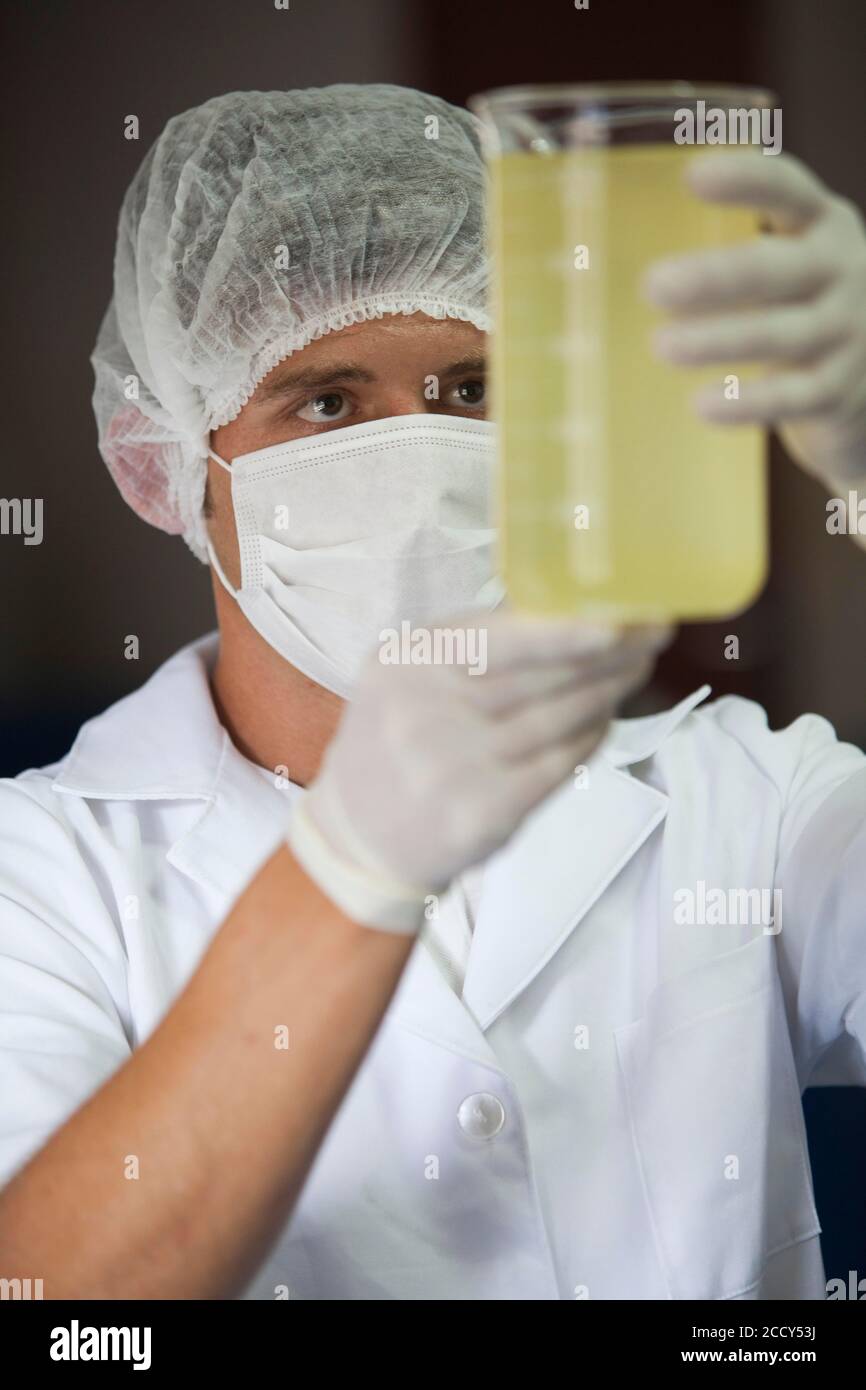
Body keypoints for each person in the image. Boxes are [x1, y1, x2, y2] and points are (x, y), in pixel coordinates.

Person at [1, 83, 865, 1301]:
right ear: (175, 466)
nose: (416, 455)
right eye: (329, 399)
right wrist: (350, 867)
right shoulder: (39, 875)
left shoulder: (748, 801)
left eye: (472, 389)